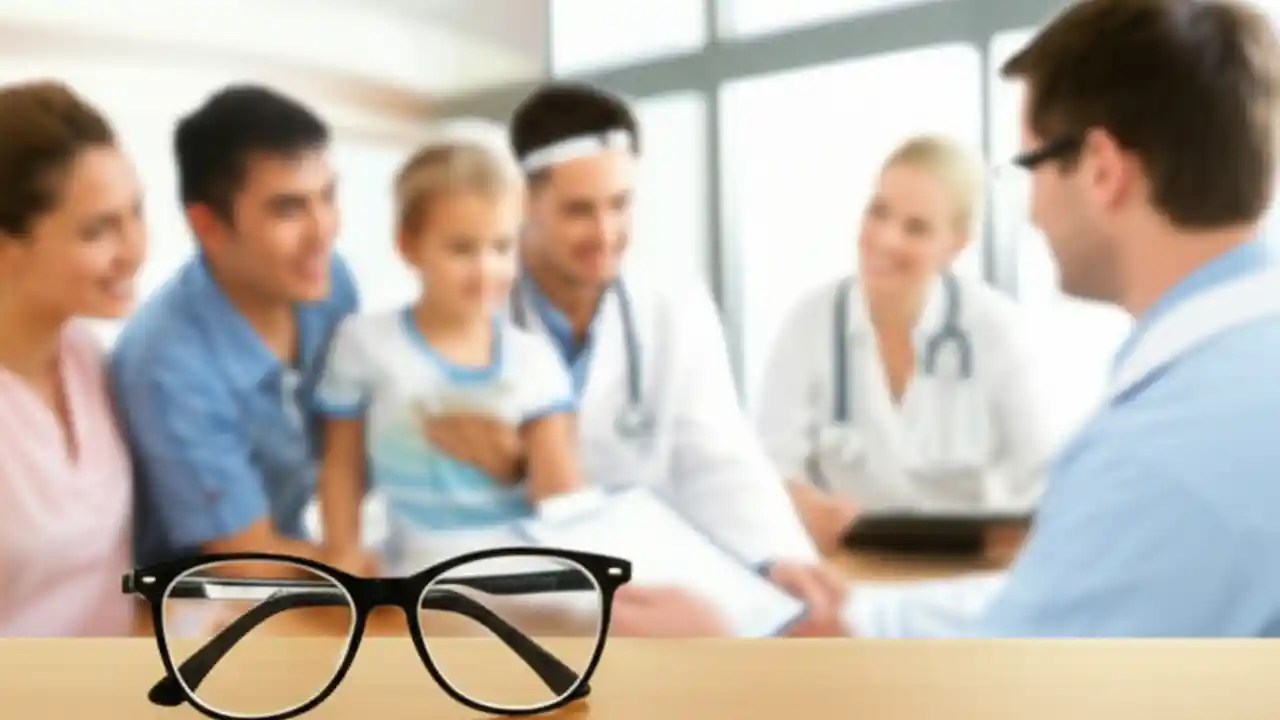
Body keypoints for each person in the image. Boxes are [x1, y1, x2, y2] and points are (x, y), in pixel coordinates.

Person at [848, 0, 1280, 637]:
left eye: (1032, 167)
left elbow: (1027, 677)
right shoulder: (1240, 377)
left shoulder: (1157, 455)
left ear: (1102, 171)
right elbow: (1069, 595)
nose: (1033, 213)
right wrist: (855, 618)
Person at [423, 83, 847, 636]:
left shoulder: (669, 302)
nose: (606, 234)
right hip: (513, 601)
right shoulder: (466, 313)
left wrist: (776, 558)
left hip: (651, 587)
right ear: (523, 206)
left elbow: (717, 455)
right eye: (579, 211)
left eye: (620, 205)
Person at [111, 85, 372, 573]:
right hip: (187, 602)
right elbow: (242, 558)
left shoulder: (330, 284)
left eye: (328, 197)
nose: (324, 231)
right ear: (207, 225)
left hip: (299, 562)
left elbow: (348, 435)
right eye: (289, 209)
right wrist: (373, 573)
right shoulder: (164, 361)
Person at [754, 136, 1056, 553]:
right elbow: (769, 470)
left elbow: (1044, 482)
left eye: (916, 228)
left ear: (955, 244)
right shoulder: (809, 324)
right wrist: (797, 502)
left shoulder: (996, 330)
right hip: (849, 570)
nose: (887, 239)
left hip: (972, 574)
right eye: (878, 213)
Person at [314, 123, 583, 573]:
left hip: (522, 578)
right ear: (408, 245)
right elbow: (342, 468)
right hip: (413, 574)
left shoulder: (534, 361)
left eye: (501, 247)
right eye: (461, 249)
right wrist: (341, 553)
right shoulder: (364, 344)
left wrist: (518, 462)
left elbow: (562, 500)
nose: (485, 270)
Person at [0, 81, 145, 635]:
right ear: (7, 247)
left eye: (136, 213)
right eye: (98, 230)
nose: (134, 250)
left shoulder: (83, 353)